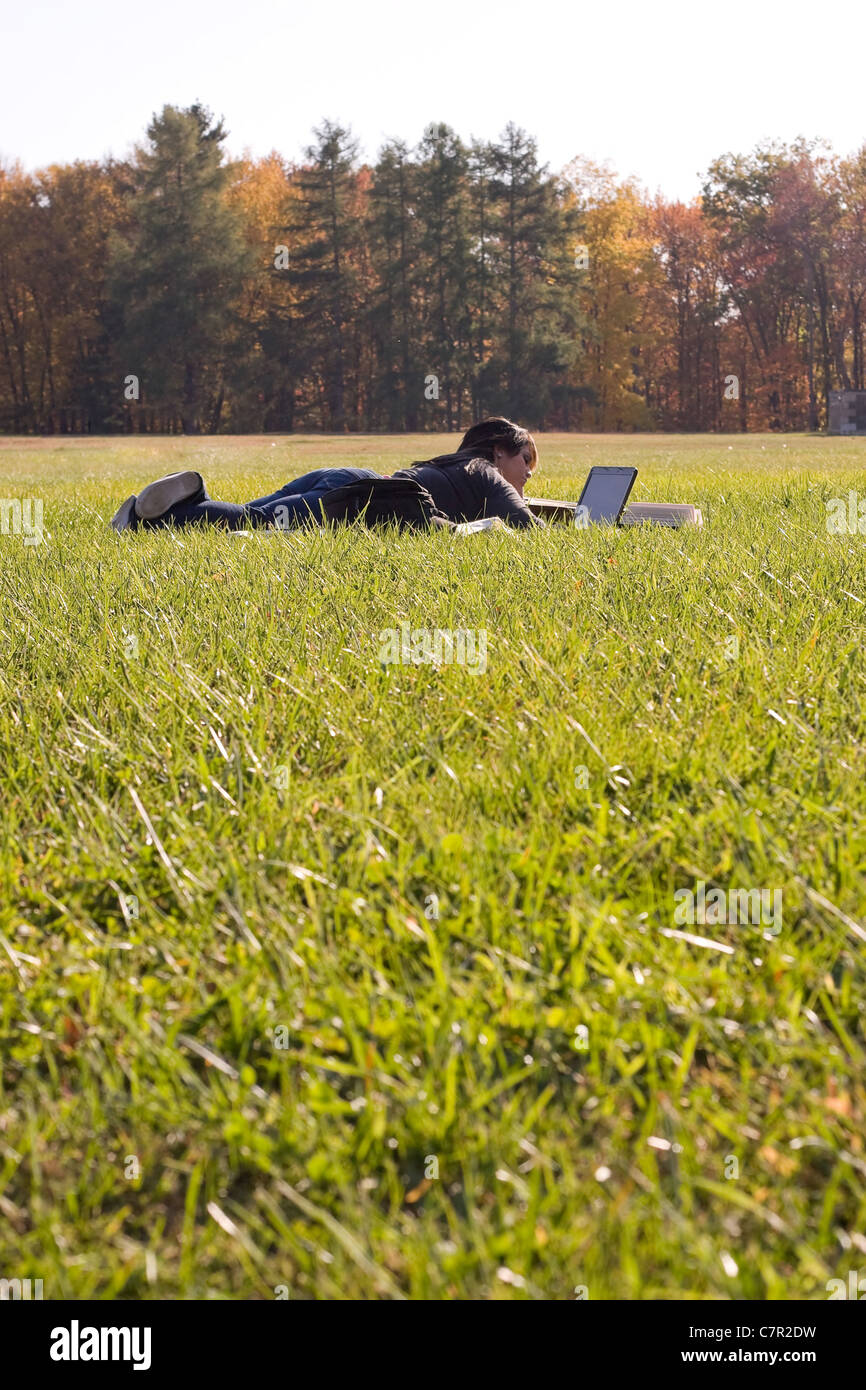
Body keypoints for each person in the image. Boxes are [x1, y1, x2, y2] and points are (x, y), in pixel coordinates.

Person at [110, 417, 543, 532]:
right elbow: (525, 525)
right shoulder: (485, 472)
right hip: (352, 501)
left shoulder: (451, 465)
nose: (526, 474)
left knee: (247, 516)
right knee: (252, 525)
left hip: (346, 479)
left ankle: (149, 512)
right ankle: (163, 515)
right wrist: (581, 521)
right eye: (525, 460)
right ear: (498, 449)